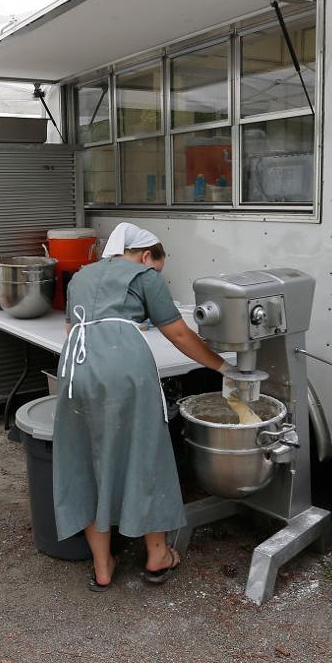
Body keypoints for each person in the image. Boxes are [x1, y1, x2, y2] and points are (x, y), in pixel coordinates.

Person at [52, 222, 239, 591]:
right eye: (157, 265)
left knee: (86, 458)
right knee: (144, 452)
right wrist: (223, 366)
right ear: (146, 255)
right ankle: (157, 556)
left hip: (75, 369)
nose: (155, 272)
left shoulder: (80, 276)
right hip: (123, 368)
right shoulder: (144, 275)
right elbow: (179, 332)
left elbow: (74, 328)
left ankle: (103, 568)